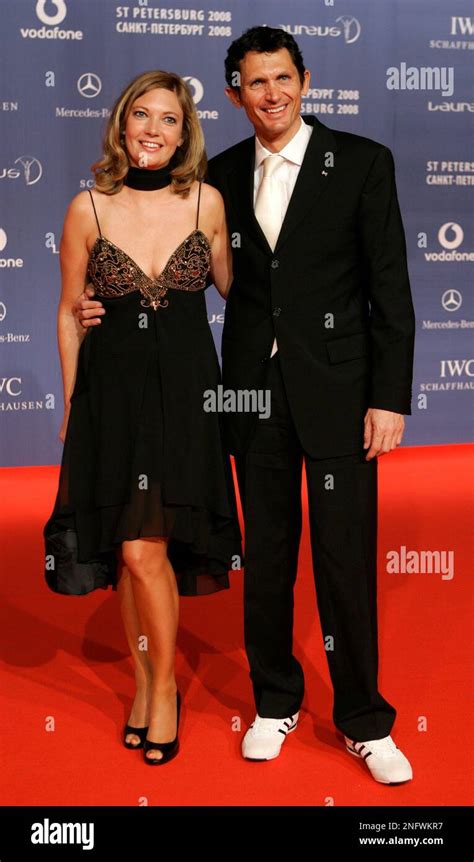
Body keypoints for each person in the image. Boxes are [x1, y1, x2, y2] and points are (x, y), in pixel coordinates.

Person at [74, 27, 416, 784]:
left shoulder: (361, 162)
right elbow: (185, 274)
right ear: (233, 92)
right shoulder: (217, 176)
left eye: (283, 78)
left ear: (306, 79)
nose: (272, 94)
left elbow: (389, 289)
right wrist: (96, 308)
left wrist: (389, 398)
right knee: (266, 557)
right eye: (255, 82)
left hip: (340, 396)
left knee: (344, 560)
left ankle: (364, 719)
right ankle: (274, 702)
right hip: (251, 398)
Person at [43, 70, 242, 766]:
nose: (153, 130)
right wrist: (73, 402)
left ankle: (160, 692)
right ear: (121, 126)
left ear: (185, 132)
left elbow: (242, 298)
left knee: (144, 549)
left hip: (187, 397)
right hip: (112, 398)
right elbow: (71, 313)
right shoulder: (86, 209)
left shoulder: (208, 205)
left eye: (169, 118)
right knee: (131, 552)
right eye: (141, 116)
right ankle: (152, 685)